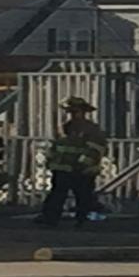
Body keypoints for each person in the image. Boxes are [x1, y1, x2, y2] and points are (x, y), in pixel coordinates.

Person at [38, 97, 108, 228]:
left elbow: (95, 149)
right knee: (57, 194)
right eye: (70, 112)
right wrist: (51, 160)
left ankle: (83, 220)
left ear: (83, 112)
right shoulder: (65, 127)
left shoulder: (91, 129)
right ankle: (50, 218)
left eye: (75, 111)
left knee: (83, 196)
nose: (72, 115)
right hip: (63, 168)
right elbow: (56, 146)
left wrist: (83, 164)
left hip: (82, 170)